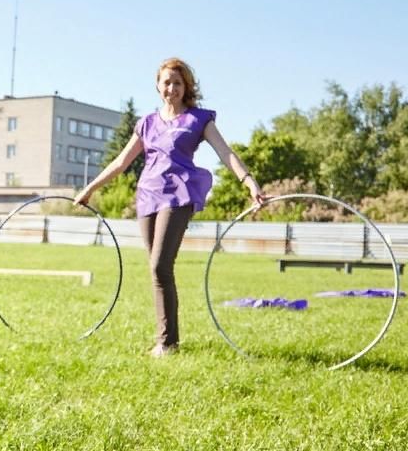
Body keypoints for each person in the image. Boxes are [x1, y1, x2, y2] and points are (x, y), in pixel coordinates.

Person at [76, 58, 266, 355]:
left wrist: (250, 182)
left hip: (179, 194)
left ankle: (167, 343)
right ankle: (168, 339)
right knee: (158, 272)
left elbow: (225, 153)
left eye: (178, 83)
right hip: (148, 195)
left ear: (186, 87)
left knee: (160, 265)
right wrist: (90, 189)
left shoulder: (198, 119)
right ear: (158, 85)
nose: (172, 88)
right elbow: (121, 162)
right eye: (167, 82)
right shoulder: (147, 123)